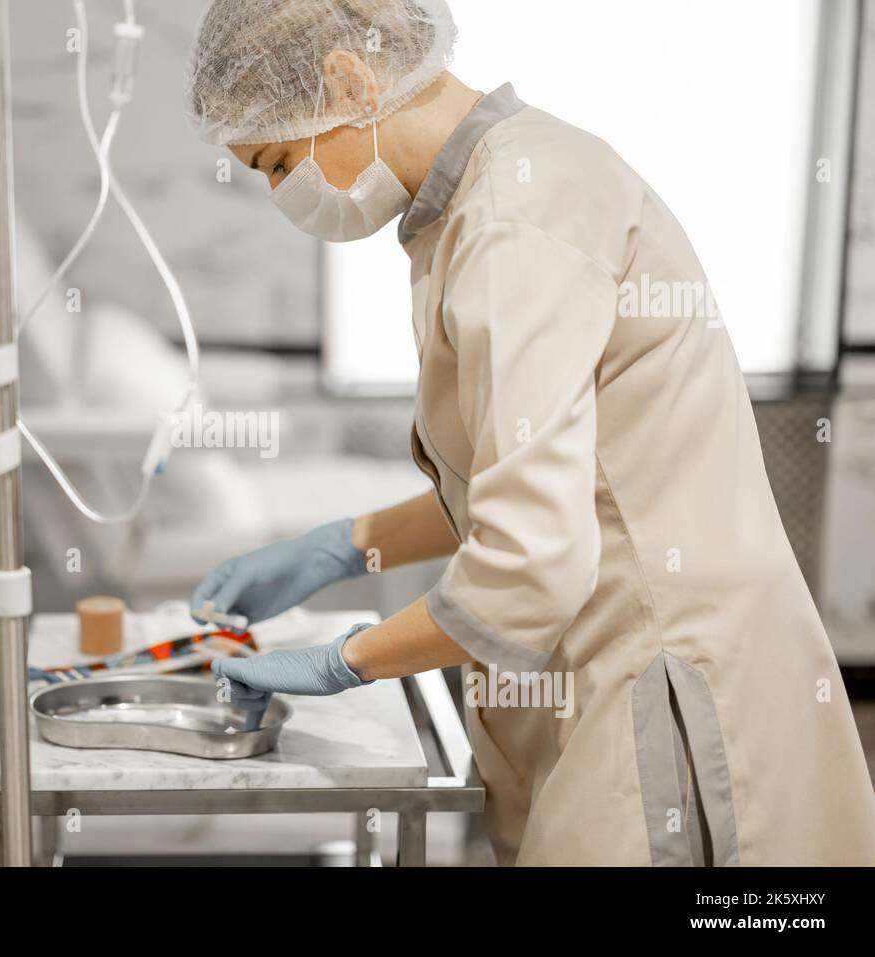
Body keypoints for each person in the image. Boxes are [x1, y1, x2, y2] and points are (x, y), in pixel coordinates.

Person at [183, 0, 875, 865]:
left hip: (659, 670)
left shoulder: (515, 219)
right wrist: (341, 546)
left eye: (280, 162)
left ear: (347, 79)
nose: (287, 193)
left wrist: (344, 661)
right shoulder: (483, 196)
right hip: (612, 655)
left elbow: (529, 561)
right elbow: (523, 479)